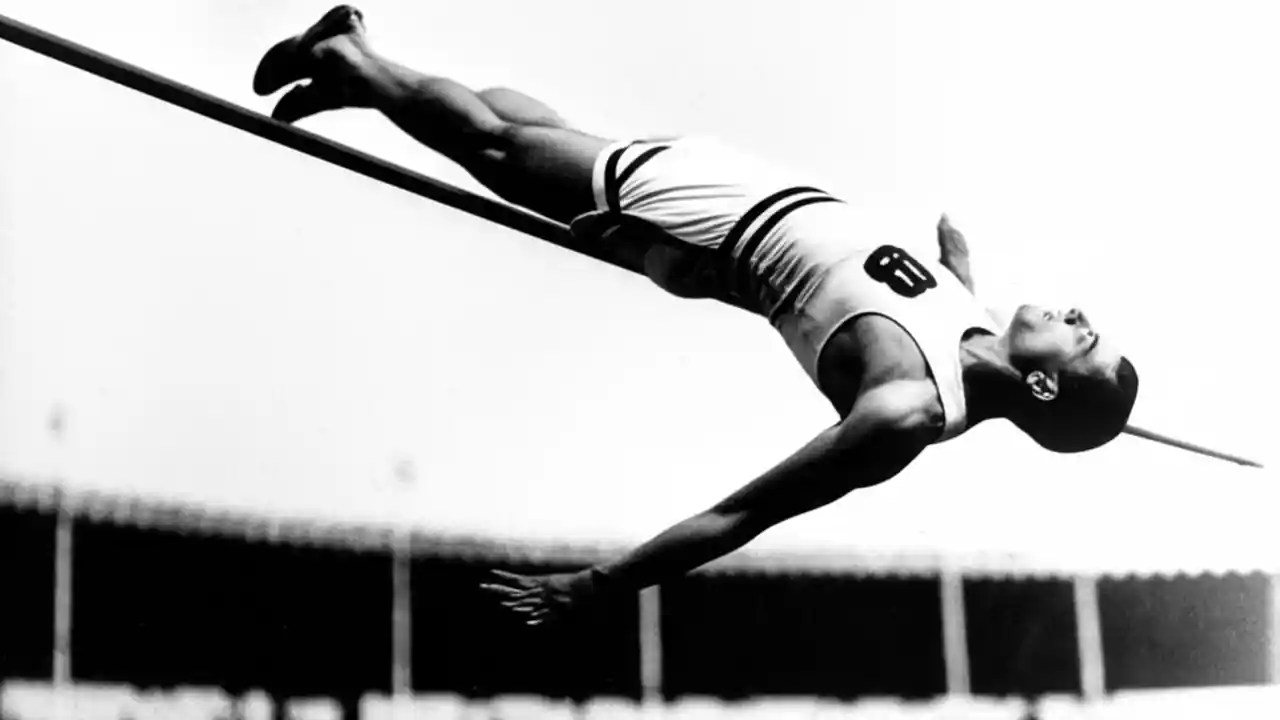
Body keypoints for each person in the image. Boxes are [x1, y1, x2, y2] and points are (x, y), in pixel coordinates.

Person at [254, 6, 1139, 626]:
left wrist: (603, 585)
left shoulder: (905, 411)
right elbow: (948, 299)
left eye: (1082, 336)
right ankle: (364, 66)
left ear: (1044, 379)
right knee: (539, 135)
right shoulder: (975, 328)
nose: (1076, 312)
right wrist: (962, 263)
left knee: (504, 147)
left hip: (720, 223)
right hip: (750, 194)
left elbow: (742, 515)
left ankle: (353, 63)